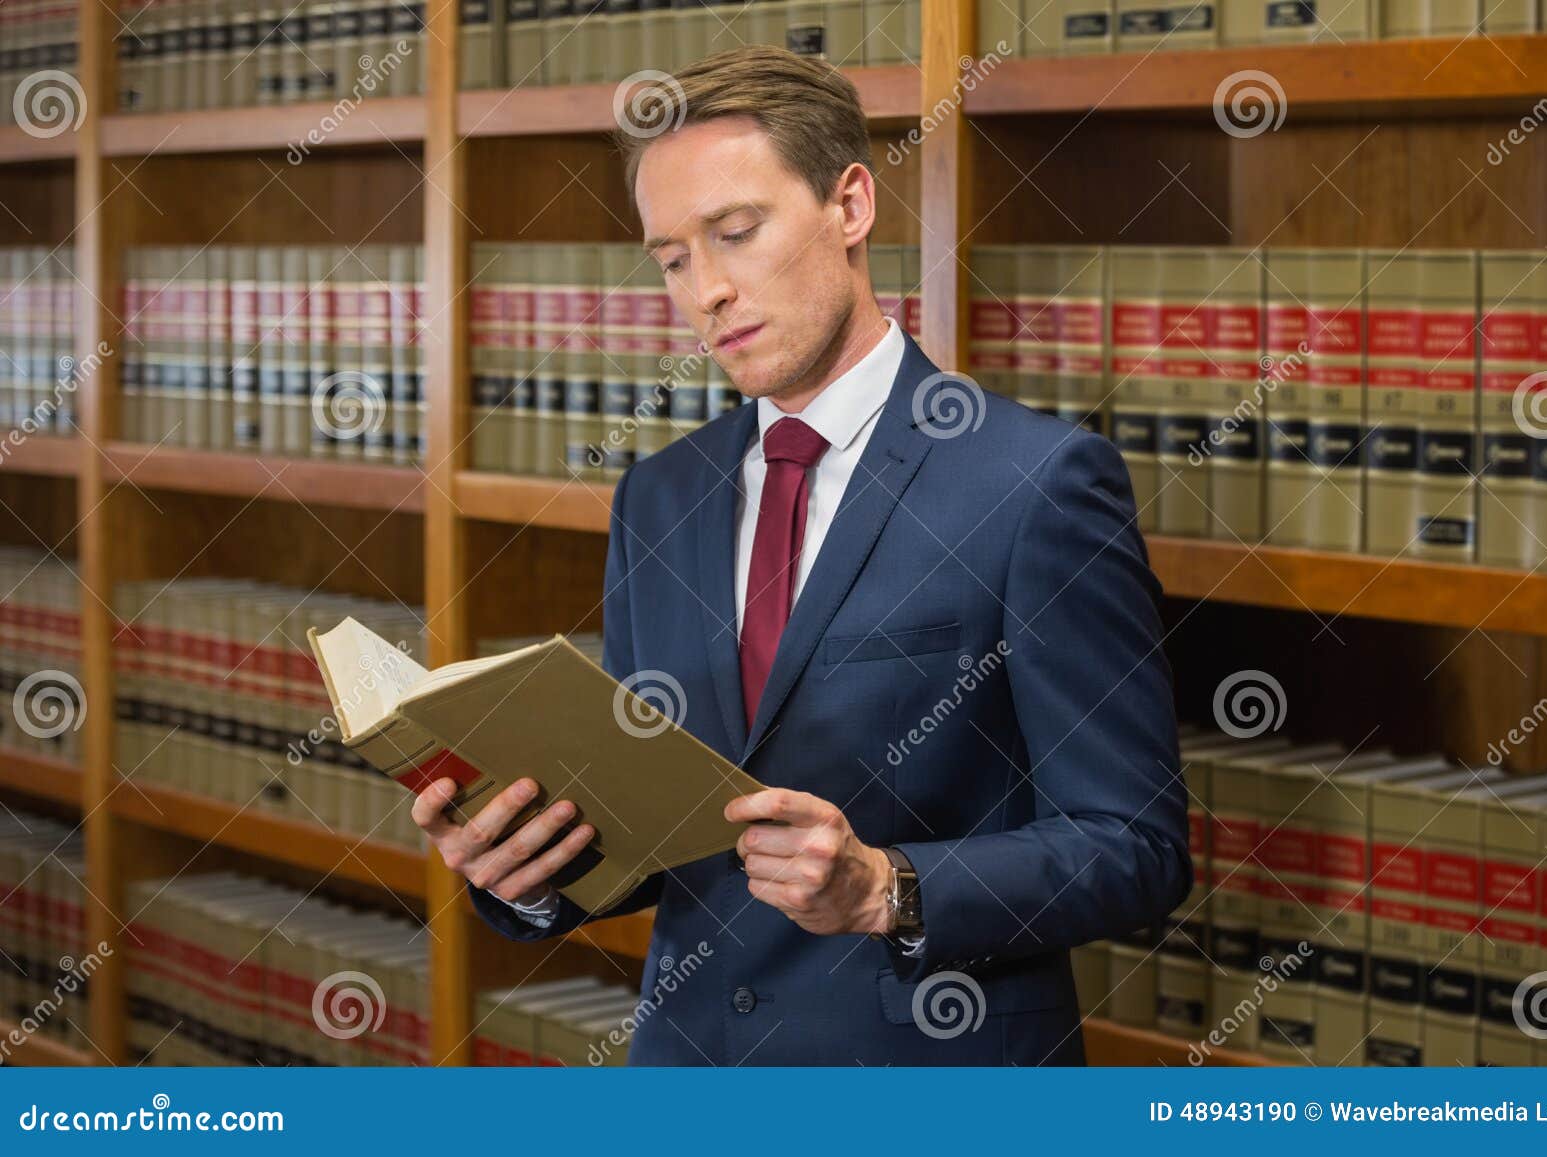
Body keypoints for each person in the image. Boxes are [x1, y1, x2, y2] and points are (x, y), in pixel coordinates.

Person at [412, 44, 1191, 1066]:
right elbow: (668, 831)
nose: (708, 292)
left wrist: (886, 887)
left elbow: (1136, 847)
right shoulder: (658, 496)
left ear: (850, 205)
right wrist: (528, 867)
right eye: (674, 258)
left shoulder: (1035, 482)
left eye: (736, 233)